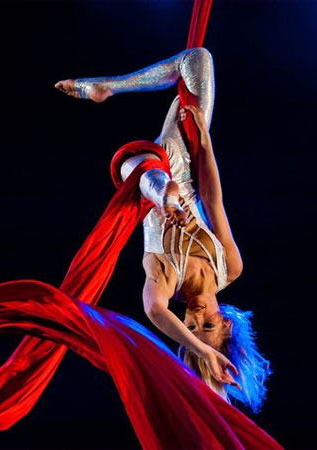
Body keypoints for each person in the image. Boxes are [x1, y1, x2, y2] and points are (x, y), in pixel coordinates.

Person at [54, 47, 271, 412]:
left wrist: (201, 349)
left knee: (149, 177)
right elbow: (212, 200)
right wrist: (204, 138)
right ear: (228, 327)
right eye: (206, 325)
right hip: (184, 163)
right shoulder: (229, 268)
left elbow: (154, 311)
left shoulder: (167, 283)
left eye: (190, 326)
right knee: (197, 61)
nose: (195, 316)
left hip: (141, 182)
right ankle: (107, 87)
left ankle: (165, 199)